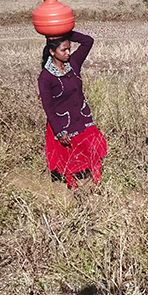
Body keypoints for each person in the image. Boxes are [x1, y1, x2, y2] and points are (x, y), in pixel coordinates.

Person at [37, 31, 107, 190]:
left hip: (82, 117)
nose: (68, 53)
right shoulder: (45, 78)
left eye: (69, 48)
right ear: (52, 51)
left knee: (94, 147)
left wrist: (65, 33)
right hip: (63, 123)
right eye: (64, 50)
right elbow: (48, 107)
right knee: (68, 157)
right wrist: (59, 132)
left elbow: (88, 41)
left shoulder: (73, 64)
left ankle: (98, 185)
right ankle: (73, 188)